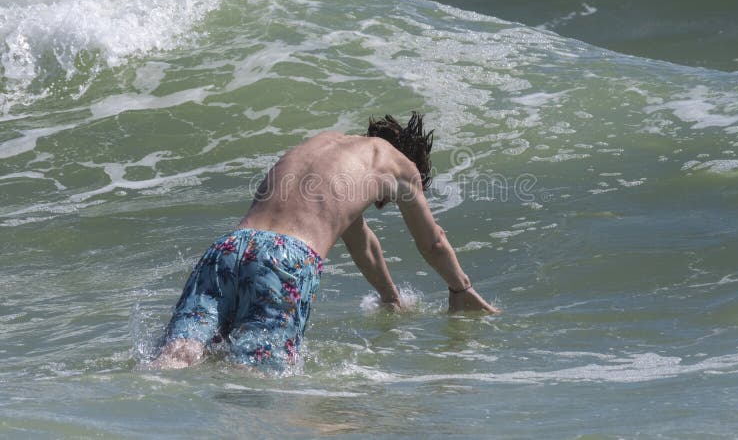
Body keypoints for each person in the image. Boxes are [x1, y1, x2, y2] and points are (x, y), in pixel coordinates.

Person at [150, 112, 496, 370]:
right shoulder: (402, 167)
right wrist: (460, 290)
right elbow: (433, 243)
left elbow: (362, 242)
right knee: (255, 382)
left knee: (174, 359)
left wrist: (390, 297)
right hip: (284, 261)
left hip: (228, 249)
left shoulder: (326, 145)